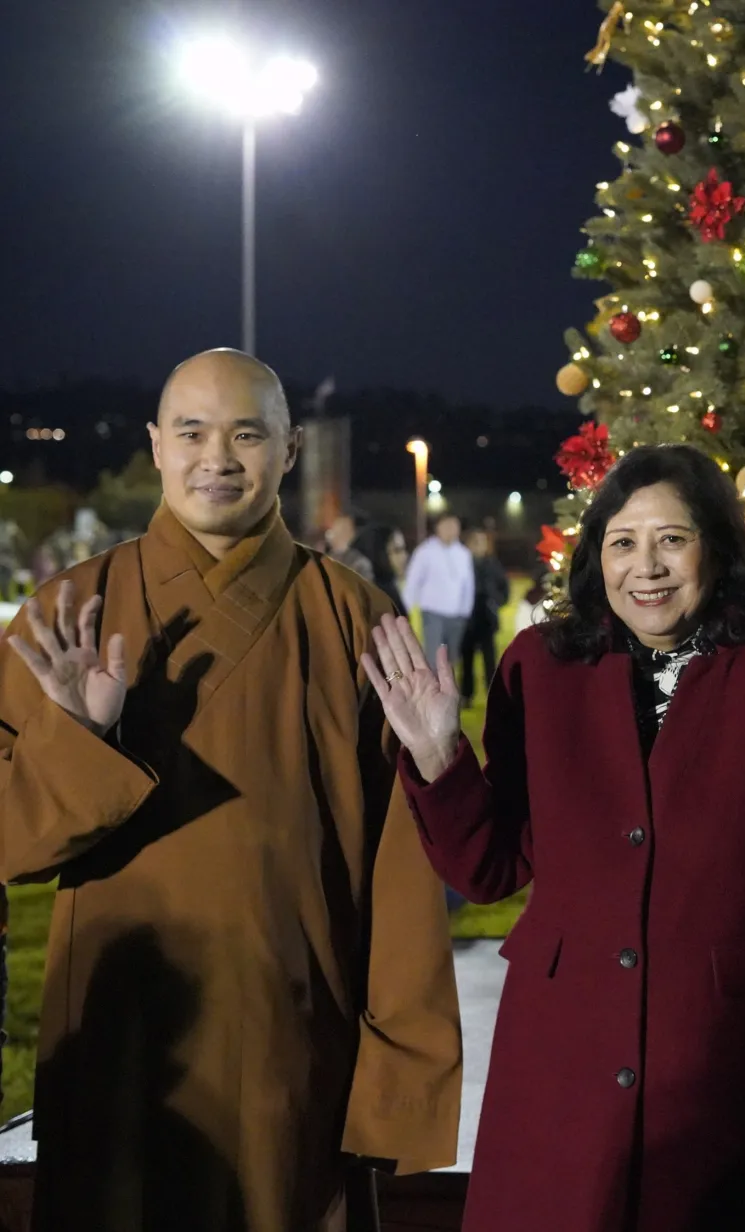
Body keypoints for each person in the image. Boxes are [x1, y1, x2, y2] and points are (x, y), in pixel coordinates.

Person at [0, 349, 462, 1232]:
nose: (218, 456)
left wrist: (396, 1079)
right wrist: (78, 739)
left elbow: (404, 874)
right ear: (156, 447)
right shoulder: (71, 612)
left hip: (297, 1040)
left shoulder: (353, 617)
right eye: (193, 432)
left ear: (289, 451)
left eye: (247, 433)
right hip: (116, 1041)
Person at [366, 444, 745, 1231]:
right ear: (597, 557)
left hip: (715, 1067)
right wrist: (438, 757)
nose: (646, 567)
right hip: (559, 1061)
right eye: (623, 542)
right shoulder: (542, 668)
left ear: (716, 547)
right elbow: (490, 869)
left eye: (673, 539)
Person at [402, 514, 475, 665]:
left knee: (452, 659)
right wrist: (405, 609)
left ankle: (449, 689)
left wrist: (465, 611)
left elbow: (468, 585)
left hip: (457, 615)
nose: (451, 530)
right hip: (432, 613)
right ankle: (433, 688)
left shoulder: (463, 553)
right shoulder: (425, 551)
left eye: (454, 526)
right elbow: (413, 581)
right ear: (438, 528)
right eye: (447, 526)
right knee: (434, 657)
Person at [459, 528, 509, 698]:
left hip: (487, 619)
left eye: (483, 542)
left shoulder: (492, 564)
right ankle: (467, 695)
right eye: (476, 542)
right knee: (467, 661)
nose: (480, 545)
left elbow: (504, 588)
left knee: (490, 661)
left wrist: (496, 601)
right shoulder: (461, 563)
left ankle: (492, 693)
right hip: (467, 620)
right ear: (468, 545)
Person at [354, 523, 409, 614]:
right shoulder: (375, 601)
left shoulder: (391, 592)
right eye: (397, 550)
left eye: (404, 550)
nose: (404, 556)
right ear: (379, 554)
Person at [324, 512, 375, 582]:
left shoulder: (360, 562)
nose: (336, 532)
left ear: (352, 534)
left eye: (343, 529)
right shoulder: (324, 559)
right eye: (335, 528)